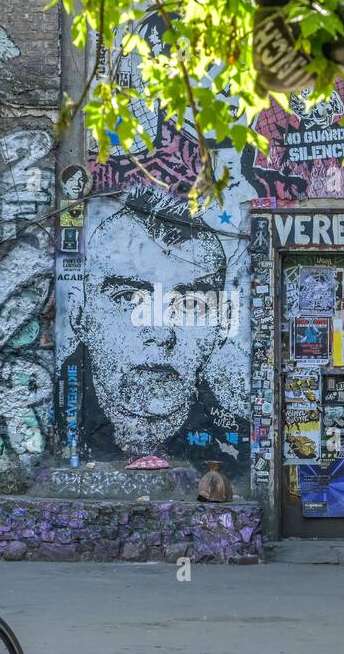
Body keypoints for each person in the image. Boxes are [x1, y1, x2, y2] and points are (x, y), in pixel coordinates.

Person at [63, 188, 237, 464]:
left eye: (190, 304)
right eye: (129, 298)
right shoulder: (47, 418)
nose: (160, 332)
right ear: (80, 315)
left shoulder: (236, 449)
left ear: (224, 323)